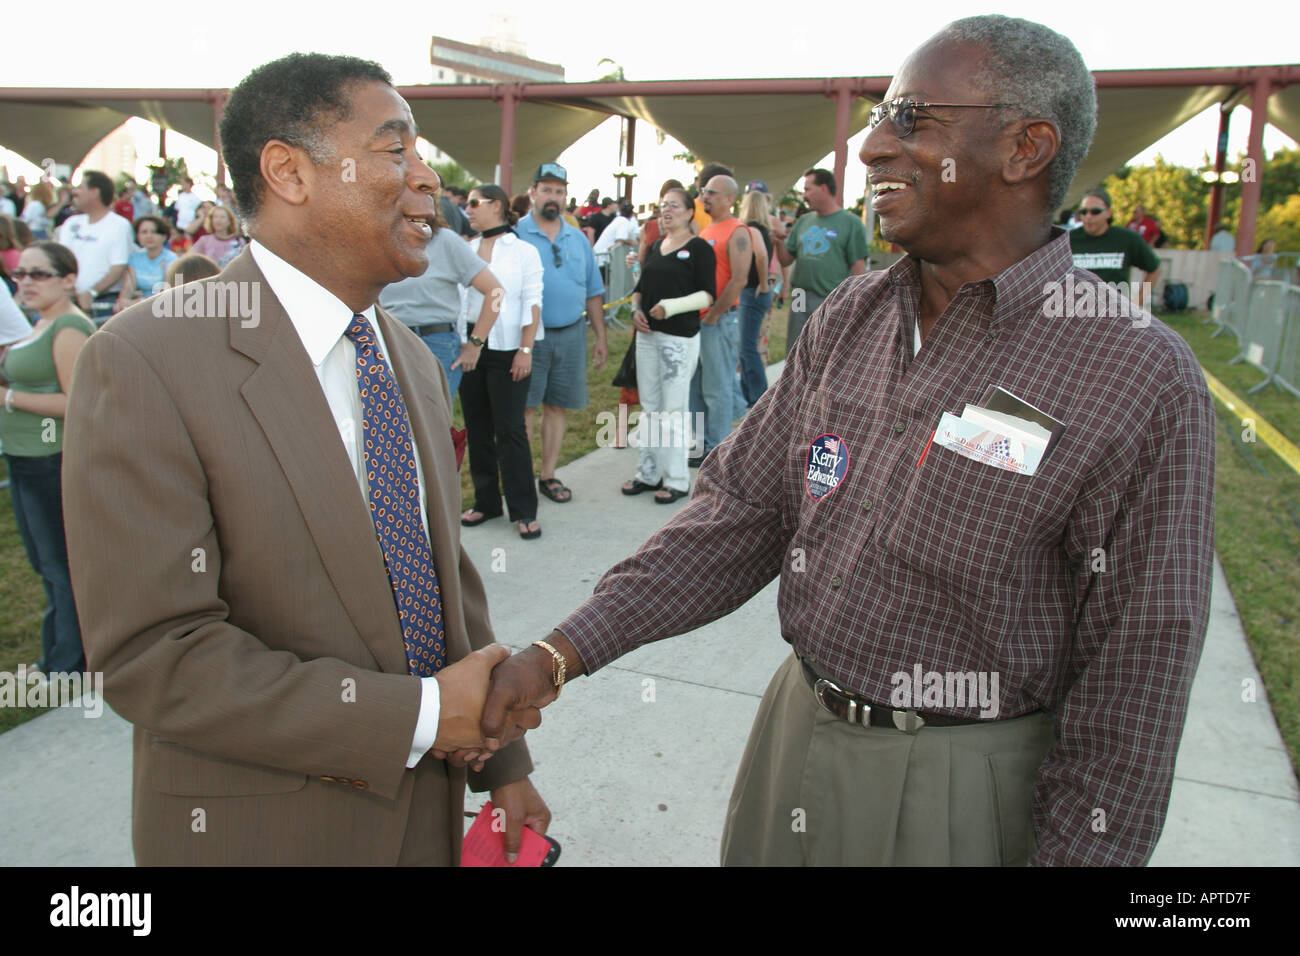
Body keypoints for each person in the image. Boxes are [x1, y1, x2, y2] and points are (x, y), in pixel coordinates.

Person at [478, 14, 1215, 868]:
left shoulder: (1136, 375)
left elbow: (1137, 683)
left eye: (913, 117)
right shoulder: (850, 318)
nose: (869, 148)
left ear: (1027, 148)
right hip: (795, 737)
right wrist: (558, 655)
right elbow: (739, 515)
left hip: (960, 790)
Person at [61, 52, 548, 866]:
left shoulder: (411, 361)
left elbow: (440, 577)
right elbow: (156, 657)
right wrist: (421, 719)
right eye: (397, 151)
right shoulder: (147, 359)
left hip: (425, 826)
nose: (430, 181)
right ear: (287, 172)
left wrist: (501, 762)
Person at [2, 241, 96, 677]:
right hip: (26, 459)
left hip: (51, 459)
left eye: (38, 274)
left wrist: (8, 397)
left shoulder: (68, 328)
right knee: (47, 562)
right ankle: (60, 653)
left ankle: (67, 662)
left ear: (68, 279)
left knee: (60, 563)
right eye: (21, 274)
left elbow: (76, 401)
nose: (26, 282)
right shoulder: (43, 323)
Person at [517, 161, 608, 504]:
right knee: (525, 409)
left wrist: (600, 336)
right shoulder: (515, 235)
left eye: (559, 191)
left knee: (557, 407)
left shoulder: (577, 237)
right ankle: (522, 476)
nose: (553, 196)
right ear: (533, 193)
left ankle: (548, 474)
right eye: (546, 190)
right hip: (528, 337)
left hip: (571, 333)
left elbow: (594, 292)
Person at [457, 183, 544, 540]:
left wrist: (526, 349)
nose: (468, 209)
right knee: (477, 427)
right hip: (470, 347)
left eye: (474, 203)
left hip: (509, 349)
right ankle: (487, 501)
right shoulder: (466, 249)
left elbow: (532, 301)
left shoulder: (524, 251)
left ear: (497, 205)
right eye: (466, 204)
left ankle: (523, 508)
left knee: (510, 429)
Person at [623, 186, 714, 504]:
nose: (667, 210)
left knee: (672, 410)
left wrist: (671, 307)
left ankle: (676, 480)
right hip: (647, 336)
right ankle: (647, 474)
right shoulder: (656, 245)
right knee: (649, 407)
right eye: (663, 205)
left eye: (674, 205)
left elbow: (707, 295)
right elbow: (641, 285)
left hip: (679, 338)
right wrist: (636, 310)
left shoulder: (700, 248)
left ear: (690, 212)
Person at [379, 186, 504, 399]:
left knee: (431, 427)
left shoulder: (446, 241)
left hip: (436, 345)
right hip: (389, 342)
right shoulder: (382, 241)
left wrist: (475, 345)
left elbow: (496, 291)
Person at [689, 174, 751, 463]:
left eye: (711, 192)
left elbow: (738, 279)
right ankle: (701, 445)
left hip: (719, 320)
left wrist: (713, 316)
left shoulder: (737, 231)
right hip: (699, 320)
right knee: (696, 387)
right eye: (704, 191)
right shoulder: (706, 229)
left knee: (717, 387)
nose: (705, 196)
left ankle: (718, 451)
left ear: (729, 198)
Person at [775, 168, 869, 348]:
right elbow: (786, 260)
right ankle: (795, 377)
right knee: (796, 346)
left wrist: (854, 303)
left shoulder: (851, 223)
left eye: (807, 189)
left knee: (823, 349)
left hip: (830, 298)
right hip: (799, 295)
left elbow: (858, 268)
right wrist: (779, 243)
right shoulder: (803, 221)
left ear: (824, 188)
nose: (804, 195)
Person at [55, 170, 134, 324]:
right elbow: (59, 260)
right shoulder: (71, 223)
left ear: (94, 192)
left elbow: (118, 267)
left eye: (80, 187)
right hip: (67, 300)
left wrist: (91, 292)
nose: (74, 192)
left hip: (101, 303)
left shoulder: (119, 225)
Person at [1068, 186, 1160, 307]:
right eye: (1083, 212)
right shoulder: (1068, 240)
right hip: (1076, 313)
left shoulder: (1126, 238)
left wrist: (1137, 304)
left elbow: (1154, 269)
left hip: (1114, 314)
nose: (1088, 216)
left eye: (1095, 212)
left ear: (1108, 213)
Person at [737, 185, 773, 406]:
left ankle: (759, 397)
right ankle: (748, 395)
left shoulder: (752, 229)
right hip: (753, 291)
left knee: (748, 347)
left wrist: (762, 283)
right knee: (746, 346)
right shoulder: (764, 231)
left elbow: (760, 256)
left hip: (753, 291)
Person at [113, 215, 177, 312]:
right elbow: (128, 288)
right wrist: (122, 302)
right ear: (137, 236)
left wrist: (138, 302)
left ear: (164, 236)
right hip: (138, 307)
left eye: (154, 232)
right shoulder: (134, 258)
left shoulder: (171, 259)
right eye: (144, 232)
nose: (149, 236)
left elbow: (167, 291)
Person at [191, 203, 246, 268]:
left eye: (222, 217)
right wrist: (179, 278)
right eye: (215, 217)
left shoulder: (239, 241)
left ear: (229, 221)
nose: (218, 220)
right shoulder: (204, 241)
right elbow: (187, 261)